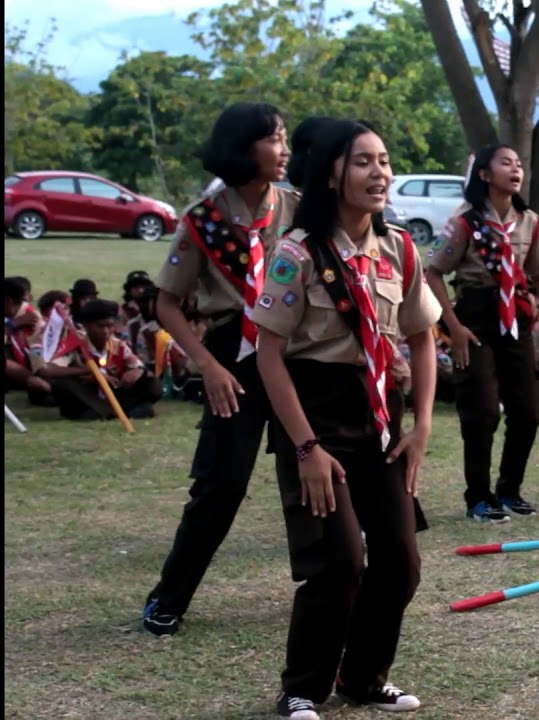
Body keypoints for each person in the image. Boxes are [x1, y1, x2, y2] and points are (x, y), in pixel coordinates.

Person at [253, 119, 439, 720]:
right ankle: (301, 689)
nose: (379, 173)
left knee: (401, 562)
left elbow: (421, 337)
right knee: (336, 564)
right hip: (315, 418)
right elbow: (268, 353)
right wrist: (305, 448)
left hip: (381, 419)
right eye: (363, 162)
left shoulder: (400, 248)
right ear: (332, 172)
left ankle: (363, 678)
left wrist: (423, 427)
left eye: (384, 161)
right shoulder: (297, 252)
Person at [142, 102, 299, 636]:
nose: (285, 149)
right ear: (242, 147)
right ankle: (170, 596)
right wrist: (205, 364)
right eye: (274, 139)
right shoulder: (203, 219)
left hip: (296, 351)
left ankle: (328, 588)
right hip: (232, 354)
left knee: (311, 472)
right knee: (221, 484)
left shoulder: (299, 209)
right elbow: (167, 303)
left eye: (284, 138)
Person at [425, 144, 539, 523]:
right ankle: (478, 497)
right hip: (474, 318)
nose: (516, 170)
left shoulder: (530, 222)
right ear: (484, 174)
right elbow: (433, 273)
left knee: (528, 410)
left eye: (519, 164)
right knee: (481, 410)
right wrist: (453, 326)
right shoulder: (465, 223)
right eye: (506, 163)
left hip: (516, 318)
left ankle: (509, 489)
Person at [39, 299, 163, 420]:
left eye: (110, 326)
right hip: (87, 395)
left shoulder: (118, 345)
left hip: (114, 394)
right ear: (86, 326)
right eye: (100, 326)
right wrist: (89, 371)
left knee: (153, 383)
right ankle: (122, 411)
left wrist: (136, 371)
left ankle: (105, 412)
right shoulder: (75, 344)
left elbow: (138, 366)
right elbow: (48, 371)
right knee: (63, 385)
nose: (106, 331)